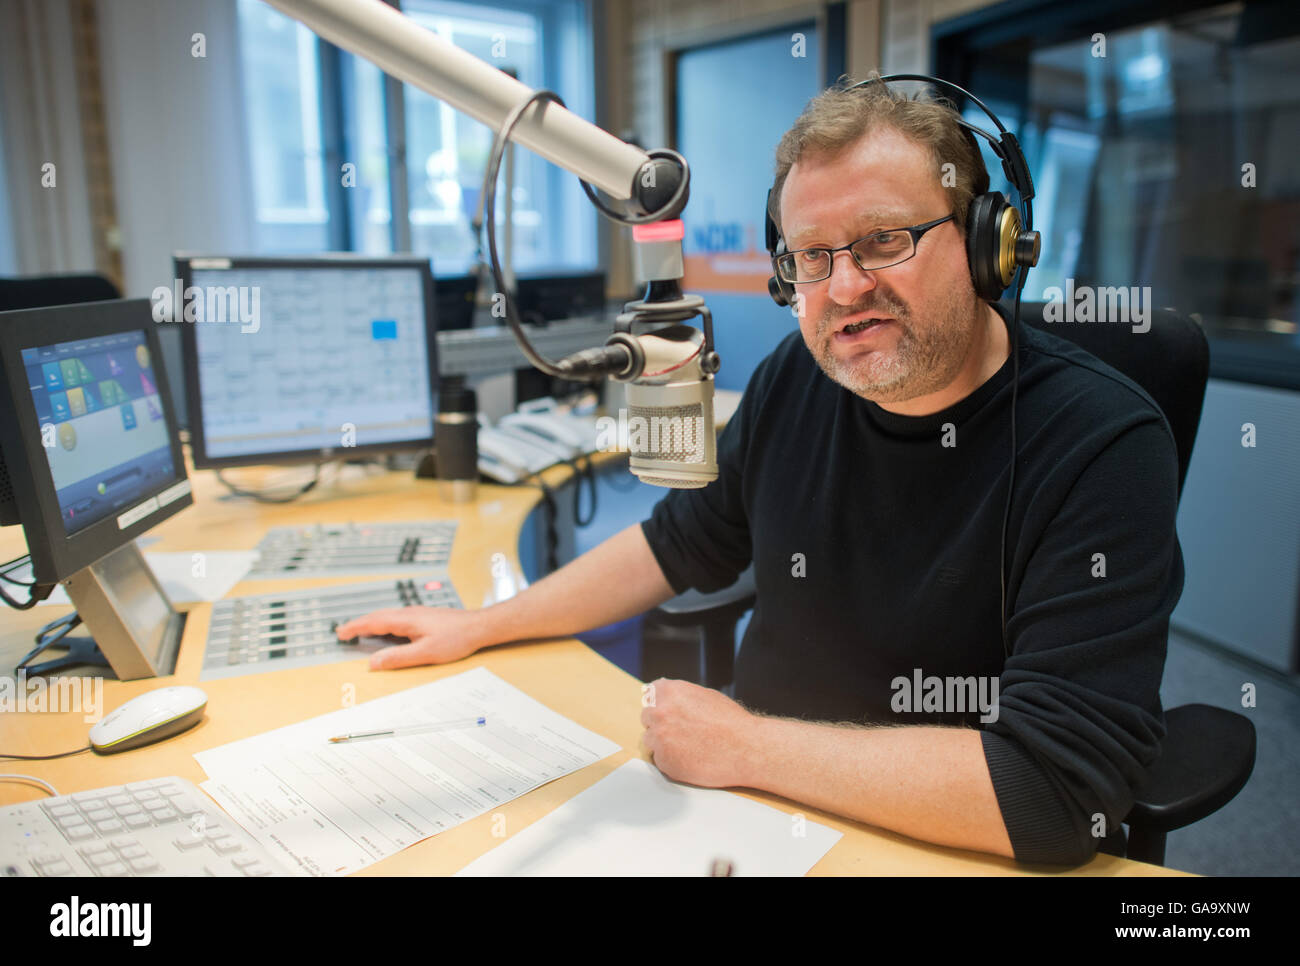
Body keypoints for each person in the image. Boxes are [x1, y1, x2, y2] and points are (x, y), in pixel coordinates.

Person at [335, 77, 1183, 866]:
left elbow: (1057, 792)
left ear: (985, 242)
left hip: (931, 845)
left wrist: (745, 744)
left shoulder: (1101, 441)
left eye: (884, 240)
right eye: (810, 257)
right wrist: (483, 625)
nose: (844, 287)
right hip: (750, 815)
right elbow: (677, 545)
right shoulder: (795, 379)